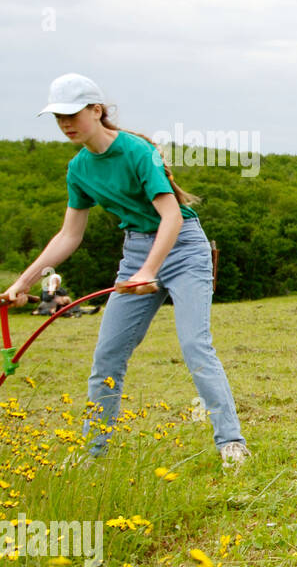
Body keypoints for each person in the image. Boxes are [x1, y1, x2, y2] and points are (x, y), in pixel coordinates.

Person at [0, 73, 250, 469]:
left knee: (194, 346)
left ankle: (231, 443)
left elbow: (171, 217)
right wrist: (21, 283)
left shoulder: (137, 151)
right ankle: (94, 453)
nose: (65, 123)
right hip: (136, 251)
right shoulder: (79, 169)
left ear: (96, 110)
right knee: (107, 356)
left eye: (72, 114)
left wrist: (149, 271)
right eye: (57, 117)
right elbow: (69, 235)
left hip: (184, 249)